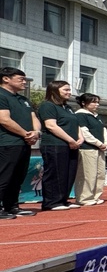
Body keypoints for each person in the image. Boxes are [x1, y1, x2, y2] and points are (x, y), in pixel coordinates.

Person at [0, 67, 41, 220]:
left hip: (24, 143)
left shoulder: (23, 99)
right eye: (21, 79)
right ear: (6, 78)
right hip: (7, 142)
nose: (25, 82)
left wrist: (36, 132)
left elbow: (34, 118)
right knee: (4, 175)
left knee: (18, 176)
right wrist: (25, 134)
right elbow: (4, 119)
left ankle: (12, 206)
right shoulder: (1, 95)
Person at [37, 80, 82, 211]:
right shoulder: (48, 106)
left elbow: (75, 124)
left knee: (68, 172)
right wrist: (70, 140)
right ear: (55, 91)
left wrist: (80, 137)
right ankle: (51, 202)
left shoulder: (68, 108)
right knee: (55, 172)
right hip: (55, 144)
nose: (69, 92)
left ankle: (63, 199)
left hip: (71, 145)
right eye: (66, 90)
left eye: (69, 90)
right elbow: (51, 126)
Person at [74, 93, 107, 206]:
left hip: (100, 149)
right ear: (84, 103)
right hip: (88, 148)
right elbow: (84, 132)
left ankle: (96, 195)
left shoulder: (96, 115)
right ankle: (85, 197)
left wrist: (106, 143)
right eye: (93, 102)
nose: (96, 104)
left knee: (100, 174)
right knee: (88, 174)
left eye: (98, 102)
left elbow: (103, 130)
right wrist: (98, 143)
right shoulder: (80, 115)